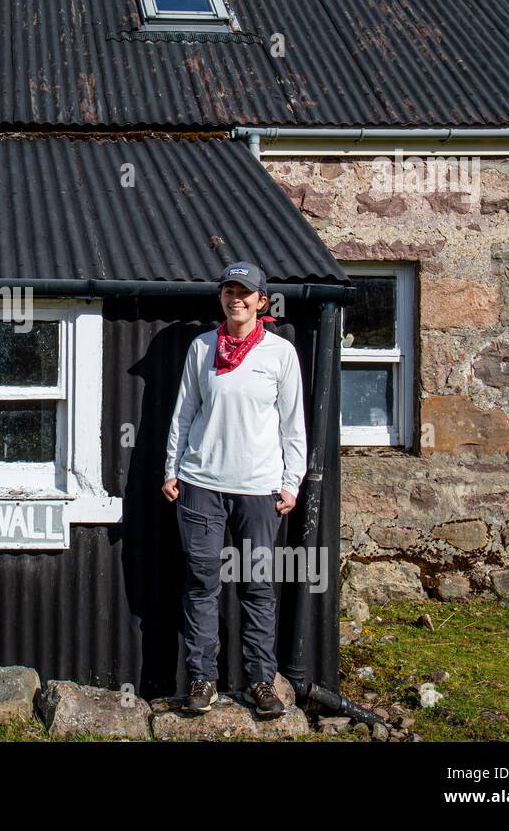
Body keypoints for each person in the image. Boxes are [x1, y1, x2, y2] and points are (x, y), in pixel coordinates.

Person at [163, 261, 306, 718]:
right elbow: (184, 414)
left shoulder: (280, 354)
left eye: (245, 292)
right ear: (221, 298)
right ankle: (202, 680)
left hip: (259, 492)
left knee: (257, 587)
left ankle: (261, 682)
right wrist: (172, 470)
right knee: (202, 585)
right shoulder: (201, 348)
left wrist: (291, 482)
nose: (235, 299)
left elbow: (293, 425)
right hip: (201, 485)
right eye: (228, 291)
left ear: (262, 302)